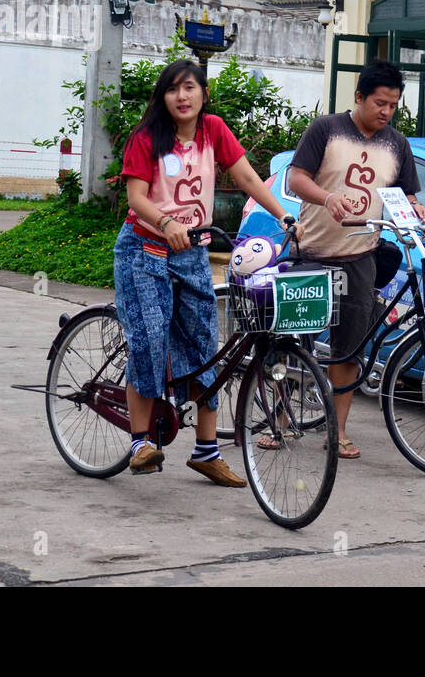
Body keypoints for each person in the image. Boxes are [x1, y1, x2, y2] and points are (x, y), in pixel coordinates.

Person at [115, 58, 298, 485]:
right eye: (173, 89)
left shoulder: (213, 130)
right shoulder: (147, 138)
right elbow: (137, 197)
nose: (182, 96)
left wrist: (286, 217)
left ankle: (206, 451)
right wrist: (167, 223)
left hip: (192, 253)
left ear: (203, 94)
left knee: (204, 347)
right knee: (150, 339)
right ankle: (140, 442)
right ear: (163, 97)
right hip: (144, 249)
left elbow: (249, 178)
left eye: (190, 88)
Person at [286, 59, 425, 459]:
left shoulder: (397, 144)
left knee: (347, 349)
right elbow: (296, 179)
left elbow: (406, 192)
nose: (386, 111)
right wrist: (328, 198)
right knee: (290, 343)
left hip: (359, 256)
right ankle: (279, 421)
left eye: (393, 105)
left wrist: (417, 208)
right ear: (359, 97)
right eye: (379, 102)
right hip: (311, 251)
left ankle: (338, 430)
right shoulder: (326, 129)